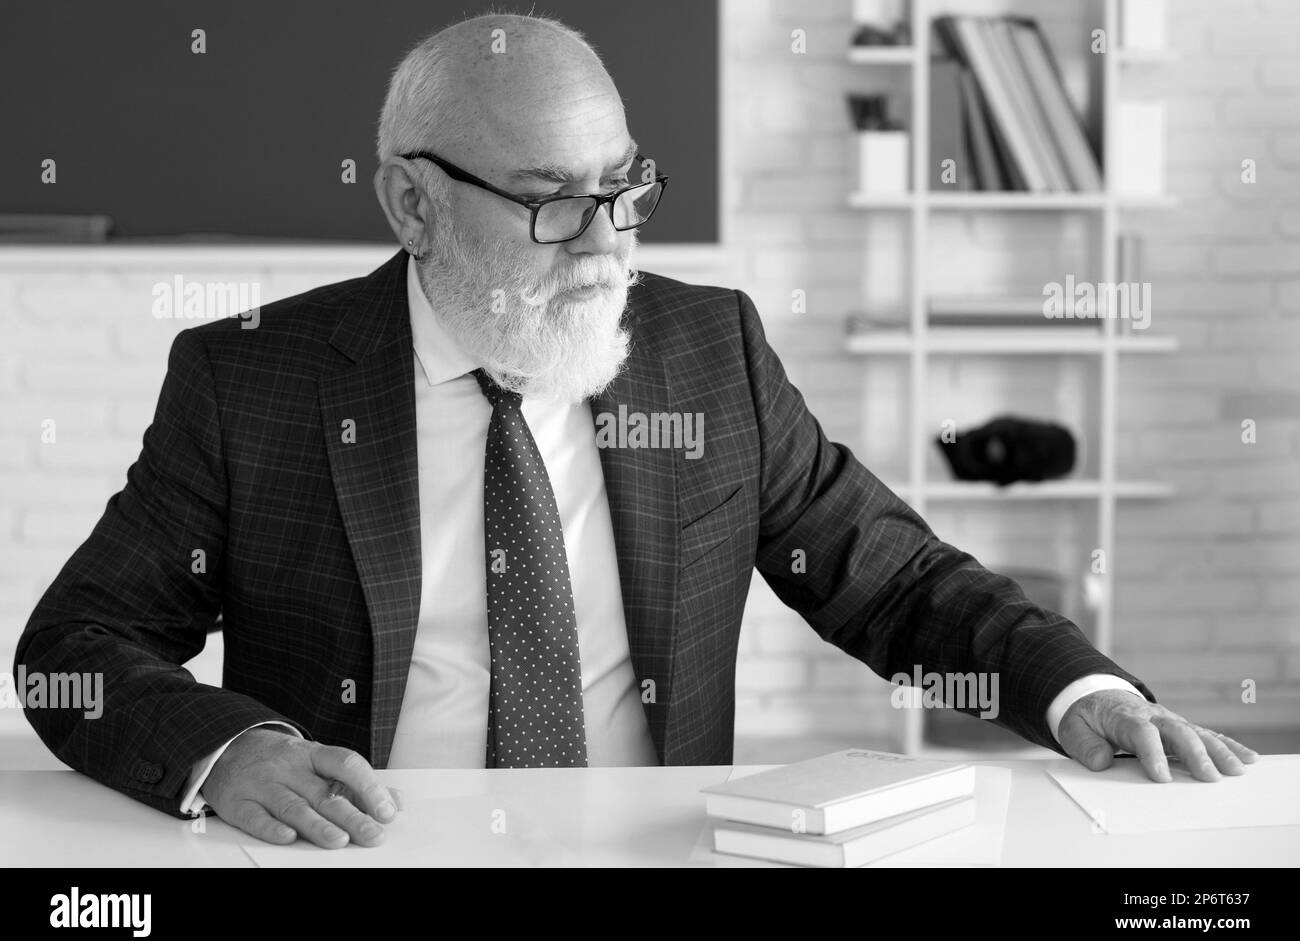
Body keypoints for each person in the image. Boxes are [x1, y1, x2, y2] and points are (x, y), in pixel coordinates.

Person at [15, 12, 1257, 851]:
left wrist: (1073, 690)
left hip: (651, 855)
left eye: (624, 189)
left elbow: (897, 584)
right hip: (361, 853)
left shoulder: (705, 350)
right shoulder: (255, 382)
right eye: (552, 202)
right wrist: (226, 755)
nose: (610, 243)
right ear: (412, 205)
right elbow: (76, 643)